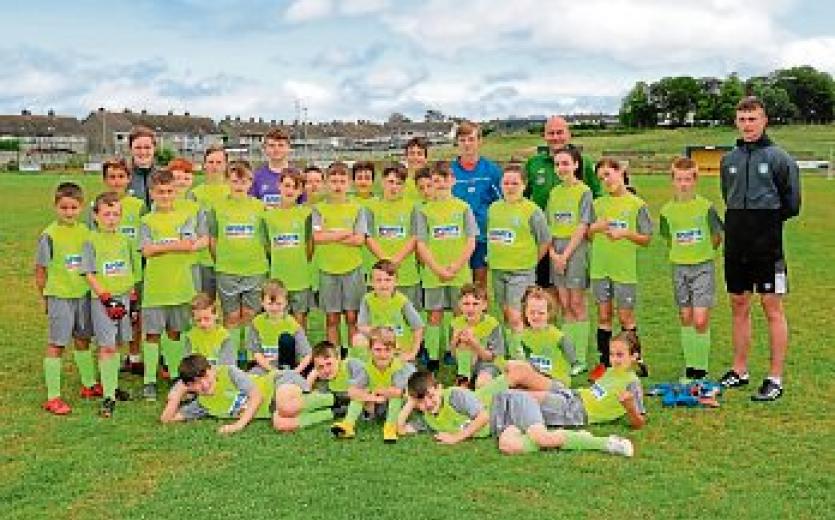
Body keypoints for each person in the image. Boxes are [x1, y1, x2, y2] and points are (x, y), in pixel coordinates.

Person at [718, 96, 801, 401]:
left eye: (753, 119)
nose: (747, 125)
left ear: (764, 120)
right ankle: (739, 370)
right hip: (736, 240)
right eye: (742, 119)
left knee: (771, 307)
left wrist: (764, 225)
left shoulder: (779, 158)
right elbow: (728, 196)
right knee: (738, 304)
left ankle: (774, 378)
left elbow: (792, 204)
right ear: (736, 122)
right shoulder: (729, 160)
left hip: (767, 244)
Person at [139, 169, 207, 400]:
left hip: (181, 285)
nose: (166, 196)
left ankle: (177, 376)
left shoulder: (185, 217)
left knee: (175, 332)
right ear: (152, 193)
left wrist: (161, 247)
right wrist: (173, 245)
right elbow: (146, 251)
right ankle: (149, 379)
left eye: (170, 191)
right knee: (151, 334)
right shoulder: (146, 221)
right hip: (155, 288)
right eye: (161, 192)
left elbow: (189, 244)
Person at [659, 157, 723, 381]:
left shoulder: (705, 208)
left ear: (695, 181)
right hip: (679, 268)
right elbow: (668, 237)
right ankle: (690, 368)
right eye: (679, 179)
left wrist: (703, 253)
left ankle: (702, 369)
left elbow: (717, 236)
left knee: (700, 319)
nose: (683, 184)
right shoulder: (666, 211)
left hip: (702, 267)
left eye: (688, 179)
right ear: (673, 181)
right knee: (685, 316)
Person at [588, 159, 652, 380]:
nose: (606, 181)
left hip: (624, 270)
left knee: (626, 317)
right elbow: (585, 233)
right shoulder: (597, 204)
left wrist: (624, 234)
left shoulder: (637, 204)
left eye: (608, 174)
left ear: (620, 172)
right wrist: (596, 228)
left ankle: (635, 359)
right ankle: (604, 363)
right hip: (600, 267)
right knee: (603, 315)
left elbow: (646, 239)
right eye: (601, 178)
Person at [36, 182, 96, 415]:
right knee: (57, 344)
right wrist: (45, 298)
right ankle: (53, 397)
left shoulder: (86, 232)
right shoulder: (48, 235)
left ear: (81, 207)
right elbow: (40, 270)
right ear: (55, 207)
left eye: (73, 207)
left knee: (83, 340)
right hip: (60, 296)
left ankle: (89, 385)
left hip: (82, 295)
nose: (69, 212)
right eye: (64, 208)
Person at [525, 116, 603, 289]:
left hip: (572, 239)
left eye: (560, 132)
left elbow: (598, 195)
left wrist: (593, 227)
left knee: (572, 295)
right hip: (541, 238)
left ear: (568, 134)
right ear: (544, 136)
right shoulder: (533, 163)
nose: (555, 137)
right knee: (544, 291)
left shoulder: (584, 162)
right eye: (551, 133)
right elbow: (523, 195)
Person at [81, 192, 141, 417]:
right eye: (106, 214)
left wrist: (132, 297)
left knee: (117, 344)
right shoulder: (90, 240)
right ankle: (108, 397)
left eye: (116, 214)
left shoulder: (126, 240)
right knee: (106, 346)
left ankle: (111, 384)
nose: (111, 219)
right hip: (104, 300)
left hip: (124, 297)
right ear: (96, 216)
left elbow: (132, 270)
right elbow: (88, 272)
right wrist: (106, 298)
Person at [415, 161, 478, 372]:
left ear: (453, 181)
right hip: (434, 273)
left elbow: (471, 241)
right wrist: (437, 269)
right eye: (435, 180)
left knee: (461, 314)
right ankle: (433, 355)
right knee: (435, 314)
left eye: (444, 179)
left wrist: (456, 267)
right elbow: (421, 244)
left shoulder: (463, 208)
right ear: (431, 183)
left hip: (459, 274)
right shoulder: (424, 211)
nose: (440, 184)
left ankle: (457, 351)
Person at [87, 158, 146, 375]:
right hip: (105, 278)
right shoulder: (97, 205)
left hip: (131, 270)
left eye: (121, 176)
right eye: (111, 176)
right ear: (104, 179)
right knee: (107, 321)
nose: (116, 181)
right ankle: (111, 363)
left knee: (133, 316)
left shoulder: (138, 205)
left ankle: (134, 356)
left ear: (128, 179)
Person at [160, 354, 312, 435]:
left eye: (205, 377)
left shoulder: (230, 372)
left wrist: (238, 425)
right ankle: (333, 409)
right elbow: (167, 419)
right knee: (281, 423)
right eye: (196, 383)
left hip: (279, 382)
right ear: (189, 386)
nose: (204, 385)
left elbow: (256, 396)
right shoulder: (202, 405)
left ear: (212, 369)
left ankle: (328, 396)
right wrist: (177, 392)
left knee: (285, 406)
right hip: (273, 409)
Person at [207, 160, 268, 363]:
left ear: (251, 182)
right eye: (235, 181)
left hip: (255, 269)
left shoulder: (261, 207)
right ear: (227, 181)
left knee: (251, 314)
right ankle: (230, 358)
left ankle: (251, 356)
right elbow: (213, 239)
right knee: (231, 316)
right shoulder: (217, 208)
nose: (239, 185)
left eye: (244, 181)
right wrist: (223, 260)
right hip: (227, 269)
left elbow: (266, 240)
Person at [545, 147, 594, 373]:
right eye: (557, 164)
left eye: (565, 163)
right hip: (556, 250)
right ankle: (569, 355)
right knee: (564, 304)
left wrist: (565, 255)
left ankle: (581, 358)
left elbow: (583, 226)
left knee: (576, 303)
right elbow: (548, 226)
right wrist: (554, 254)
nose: (561, 168)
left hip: (575, 250)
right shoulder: (554, 193)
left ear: (575, 165)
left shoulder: (584, 191)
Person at [486, 163, 550, 334]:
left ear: (524, 185)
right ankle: (511, 350)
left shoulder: (532, 210)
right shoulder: (494, 208)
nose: (510, 187)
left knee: (517, 314)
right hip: (498, 269)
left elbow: (544, 240)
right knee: (505, 313)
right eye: (506, 183)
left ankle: (521, 355)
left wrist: (530, 262)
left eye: (514, 183)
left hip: (521, 272)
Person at [312, 162, 368, 347]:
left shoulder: (357, 208)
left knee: (352, 316)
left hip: (352, 268)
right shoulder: (319, 209)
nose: (337, 185)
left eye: (342, 181)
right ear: (326, 183)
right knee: (332, 318)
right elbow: (318, 238)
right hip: (328, 269)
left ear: (349, 183)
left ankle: (353, 355)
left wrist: (331, 235)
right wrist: (345, 233)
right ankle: (334, 354)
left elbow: (359, 239)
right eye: (333, 181)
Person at [331, 327, 416, 442]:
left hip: (402, 406)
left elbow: (399, 392)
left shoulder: (398, 367)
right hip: (378, 403)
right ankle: (347, 425)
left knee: (395, 396)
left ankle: (390, 427)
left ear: (394, 350)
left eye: (387, 350)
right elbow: (352, 392)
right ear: (369, 350)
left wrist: (379, 391)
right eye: (378, 350)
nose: (382, 354)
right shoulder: (367, 368)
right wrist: (372, 397)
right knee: (360, 394)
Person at [450, 120, 503, 290]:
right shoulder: (449, 171)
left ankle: (482, 316)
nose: (467, 144)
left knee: (479, 286)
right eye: (463, 140)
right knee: (459, 285)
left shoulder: (491, 171)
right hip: (456, 238)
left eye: (471, 139)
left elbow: (501, 204)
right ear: (457, 142)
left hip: (482, 237)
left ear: (480, 141)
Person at [364, 163, 421, 311]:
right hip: (379, 273)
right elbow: (368, 236)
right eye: (390, 182)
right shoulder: (370, 207)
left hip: (406, 272)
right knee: (379, 317)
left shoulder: (413, 207)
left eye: (399, 183)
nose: (394, 187)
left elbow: (415, 236)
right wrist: (385, 262)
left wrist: (396, 260)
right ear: (382, 182)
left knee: (408, 316)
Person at [263, 171, 314, 329]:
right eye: (287, 185)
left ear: (301, 191)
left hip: (300, 279)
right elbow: (267, 246)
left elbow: (309, 245)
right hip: (278, 277)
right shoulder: (268, 216)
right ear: (279, 186)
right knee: (279, 321)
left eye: (295, 187)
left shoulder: (306, 214)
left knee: (299, 321)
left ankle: (300, 352)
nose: (290, 190)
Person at [354, 260, 424, 361]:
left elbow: (418, 327)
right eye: (378, 280)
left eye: (388, 280)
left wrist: (413, 353)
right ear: (371, 282)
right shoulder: (367, 300)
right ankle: (366, 368)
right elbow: (361, 326)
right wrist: (379, 333)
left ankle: (402, 364)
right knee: (358, 339)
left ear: (396, 282)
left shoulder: (402, 301)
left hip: (398, 347)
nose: (383, 284)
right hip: (377, 344)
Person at [512, 286, 579, 387]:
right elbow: (523, 358)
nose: (536, 316)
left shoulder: (557, 336)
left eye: (541, 313)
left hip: (556, 380)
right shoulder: (524, 335)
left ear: (548, 314)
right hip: (535, 377)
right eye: (532, 312)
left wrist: (573, 365)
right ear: (525, 313)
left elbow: (572, 357)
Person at [189, 145, 231, 299]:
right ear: (204, 164)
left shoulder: (234, 191)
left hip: (230, 259)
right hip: (204, 259)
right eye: (211, 162)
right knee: (205, 305)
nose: (214, 166)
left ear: (226, 165)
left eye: (219, 162)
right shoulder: (195, 194)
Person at [247, 280, 312, 375]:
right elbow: (256, 353)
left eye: (278, 304)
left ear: (286, 303)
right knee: (251, 378)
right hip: (264, 367)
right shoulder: (257, 323)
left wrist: (295, 371)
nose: (274, 308)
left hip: (288, 368)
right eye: (270, 304)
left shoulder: (292, 324)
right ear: (262, 302)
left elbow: (307, 354)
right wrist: (272, 370)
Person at [449, 283, 503, 389]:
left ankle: (477, 381)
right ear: (460, 305)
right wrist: (455, 340)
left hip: (488, 364)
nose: (470, 308)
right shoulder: (456, 323)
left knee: (481, 385)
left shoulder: (492, 324)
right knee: (460, 392)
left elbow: (492, 357)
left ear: (484, 305)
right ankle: (464, 377)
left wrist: (474, 344)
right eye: (466, 304)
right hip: (466, 364)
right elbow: (453, 354)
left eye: (475, 304)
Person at [183, 293, 236, 366]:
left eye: (206, 319)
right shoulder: (190, 336)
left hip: (219, 374)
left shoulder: (224, 337)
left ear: (216, 315)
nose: (202, 323)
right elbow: (187, 363)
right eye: (198, 320)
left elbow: (227, 366)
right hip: (197, 375)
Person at [249, 128, 294, 207]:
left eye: (281, 145)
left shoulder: (299, 176)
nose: (276, 149)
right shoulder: (256, 177)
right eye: (272, 145)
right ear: (265, 149)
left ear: (288, 148)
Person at [126, 126, 157, 207]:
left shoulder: (164, 176)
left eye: (147, 147)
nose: (143, 152)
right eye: (138, 148)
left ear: (154, 148)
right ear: (130, 149)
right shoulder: (122, 178)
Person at [404, 137, 429, 204]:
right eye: (412, 153)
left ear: (426, 158)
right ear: (406, 157)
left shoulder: (434, 182)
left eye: (419, 154)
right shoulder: (398, 183)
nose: (415, 157)